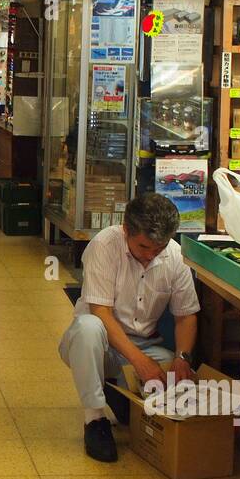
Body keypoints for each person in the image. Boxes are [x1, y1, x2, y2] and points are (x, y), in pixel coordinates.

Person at [57, 193, 201, 463]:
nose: (150, 255)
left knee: (169, 366)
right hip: (97, 342)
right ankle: (95, 418)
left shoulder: (175, 256)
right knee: (88, 329)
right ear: (126, 230)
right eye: (144, 247)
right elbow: (101, 312)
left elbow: (186, 315)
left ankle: (116, 389)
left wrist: (183, 357)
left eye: (158, 249)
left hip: (143, 345)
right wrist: (140, 362)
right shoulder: (104, 245)